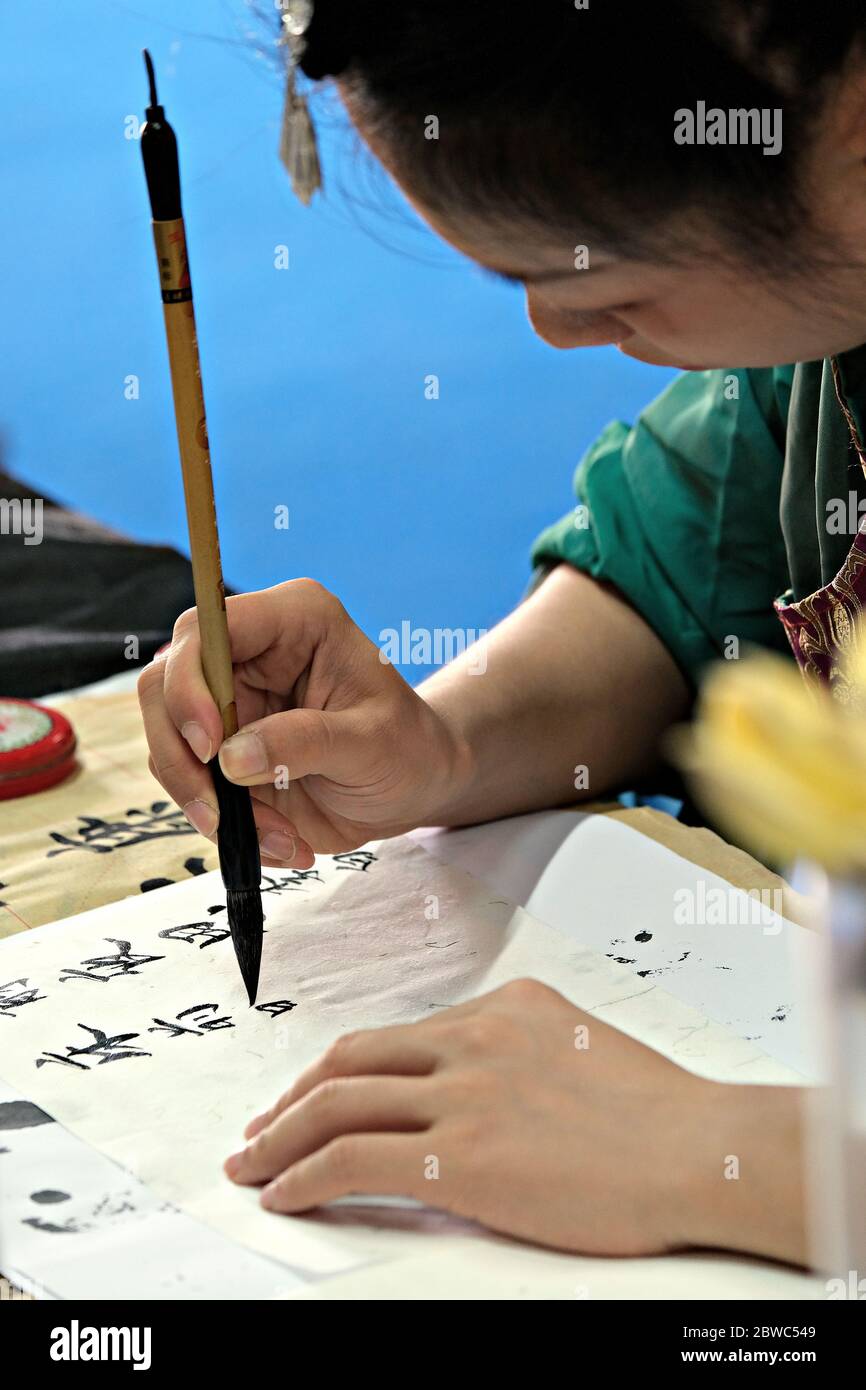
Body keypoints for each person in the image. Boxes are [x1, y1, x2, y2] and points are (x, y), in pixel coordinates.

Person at [139, 2, 866, 1262]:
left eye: (603, 285)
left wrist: (741, 1161)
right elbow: (689, 562)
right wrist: (443, 746)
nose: (553, 328)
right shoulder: (825, 335)